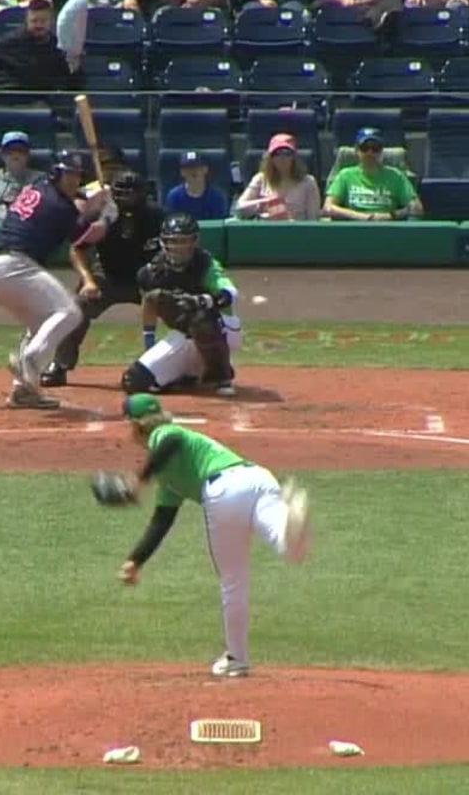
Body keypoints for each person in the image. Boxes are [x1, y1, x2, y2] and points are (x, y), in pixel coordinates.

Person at [102, 392, 311, 679]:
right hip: (258, 479)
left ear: (137, 426)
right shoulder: (168, 476)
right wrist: (135, 560)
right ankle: (291, 521)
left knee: (233, 580)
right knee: (291, 551)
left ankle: (237, 658)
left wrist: (139, 480)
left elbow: (170, 443)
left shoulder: (165, 434)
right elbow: (162, 521)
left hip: (224, 490)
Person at [0, 149, 112, 409]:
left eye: (77, 175)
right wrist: (108, 214)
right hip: (16, 266)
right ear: (56, 173)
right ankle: (30, 360)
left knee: (42, 326)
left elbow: (77, 197)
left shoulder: (39, 185)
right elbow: (85, 237)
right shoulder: (59, 206)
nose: (74, 180)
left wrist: (98, 192)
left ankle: (24, 390)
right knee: (70, 313)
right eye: (68, 174)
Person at [43, 170, 163, 387]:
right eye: (121, 193)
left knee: (182, 304)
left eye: (131, 194)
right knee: (75, 309)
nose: (126, 198)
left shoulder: (156, 217)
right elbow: (76, 249)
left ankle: (191, 366)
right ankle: (60, 365)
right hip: (107, 276)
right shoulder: (101, 215)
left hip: (146, 277)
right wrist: (88, 280)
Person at [126, 213, 242, 396]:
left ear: (194, 241)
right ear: (164, 242)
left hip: (222, 331)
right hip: (182, 334)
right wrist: (149, 344)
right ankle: (187, 372)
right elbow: (150, 302)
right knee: (134, 382)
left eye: (185, 241)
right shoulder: (151, 273)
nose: (179, 247)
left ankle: (221, 373)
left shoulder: (204, 263)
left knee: (201, 316)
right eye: (174, 241)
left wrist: (202, 300)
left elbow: (229, 293)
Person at [323, 127, 422, 221]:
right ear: (357, 150)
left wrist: (390, 215)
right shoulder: (345, 175)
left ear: (381, 151)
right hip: (353, 227)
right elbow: (328, 207)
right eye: (365, 148)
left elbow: (416, 208)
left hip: (386, 228)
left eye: (375, 148)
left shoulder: (396, 176)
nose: (370, 153)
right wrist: (359, 216)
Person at [235, 133, 321, 220]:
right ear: (270, 158)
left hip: (297, 230)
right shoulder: (261, 179)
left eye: (287, 153)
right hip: (265, 230)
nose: (282, 157)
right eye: (277, 153)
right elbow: (239, 208)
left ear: (294, 157)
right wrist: (266, 204)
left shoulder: (308, 182)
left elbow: (313, 220)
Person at [162, 150, 230, 222]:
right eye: (188, 168)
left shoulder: (217, 196)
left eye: (196, 167)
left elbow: (219, 225)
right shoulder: (174, 196)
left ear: (205, 169)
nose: (193, 171)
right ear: (182, 172)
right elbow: (172, 225)